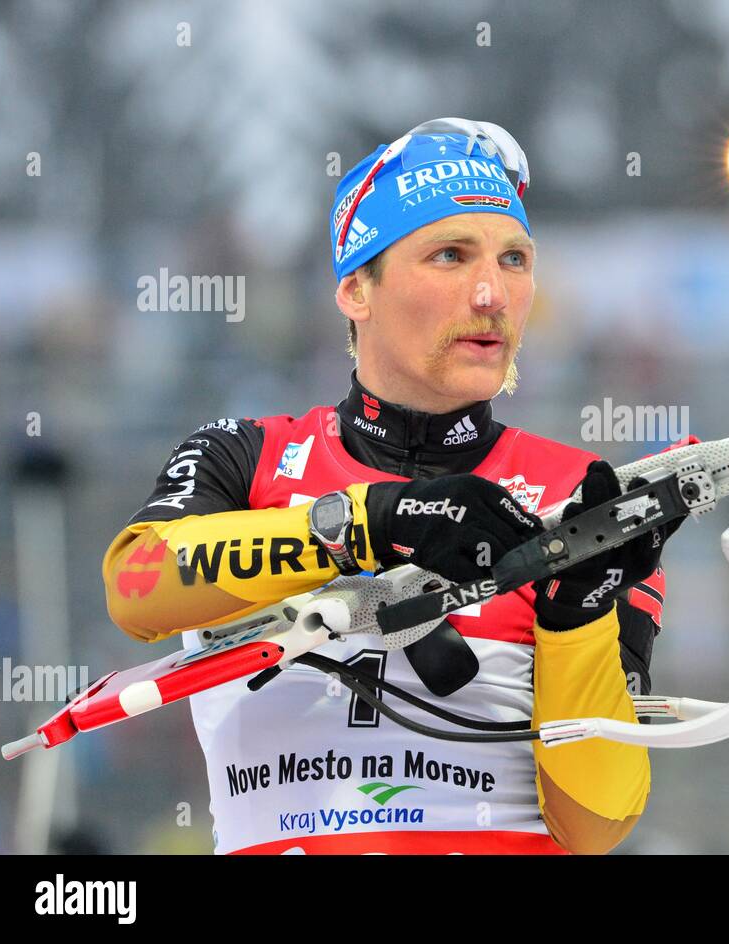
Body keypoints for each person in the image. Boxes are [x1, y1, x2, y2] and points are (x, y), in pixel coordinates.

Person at [101, 118, 685, 855]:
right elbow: (138, 584)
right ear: (355, 288)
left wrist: (578, 613)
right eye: (449, 255)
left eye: (514, 260)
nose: (490, 293)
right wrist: (371, 522)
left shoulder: (580, 495)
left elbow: (596, 822)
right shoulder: (246, 457)